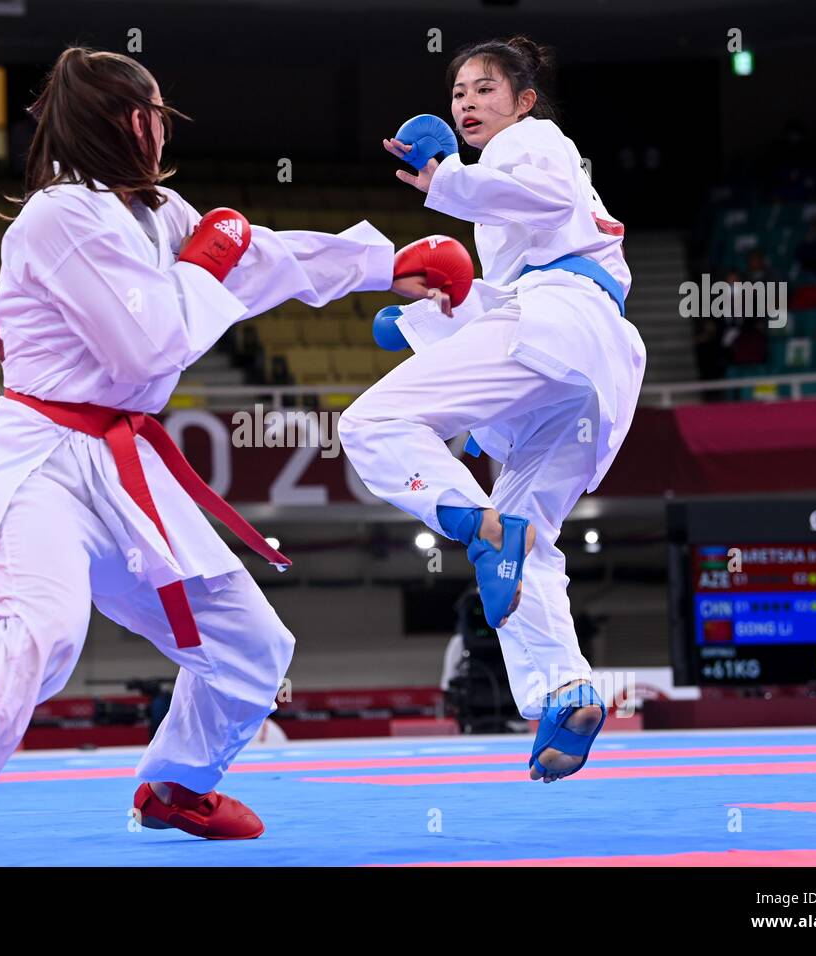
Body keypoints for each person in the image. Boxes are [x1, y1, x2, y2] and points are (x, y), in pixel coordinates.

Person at [0, 47, 402, 866]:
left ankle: (176, 784)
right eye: (151, 112)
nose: (159, 128)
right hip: (44, 460)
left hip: (123, 461)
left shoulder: (160, 212)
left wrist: (388, 265)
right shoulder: (57, 217)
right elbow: (149, 350)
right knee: (45, 627)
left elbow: (261, 260)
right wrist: (208, 263)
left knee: (252, 648)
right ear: (119, 121)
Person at [340, 36, 646, 783]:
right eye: (458, 94)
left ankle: (473, 524)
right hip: (582, 362)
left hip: (559, 326)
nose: (468, 103)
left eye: (484, 90)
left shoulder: (533, 145)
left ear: (524, 101)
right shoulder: (509, 172)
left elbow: (543, 206)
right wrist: (421, 319)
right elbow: (516, 278)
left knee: (367, 425)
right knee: (528, 545)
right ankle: (568, 692)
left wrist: (448, 179)